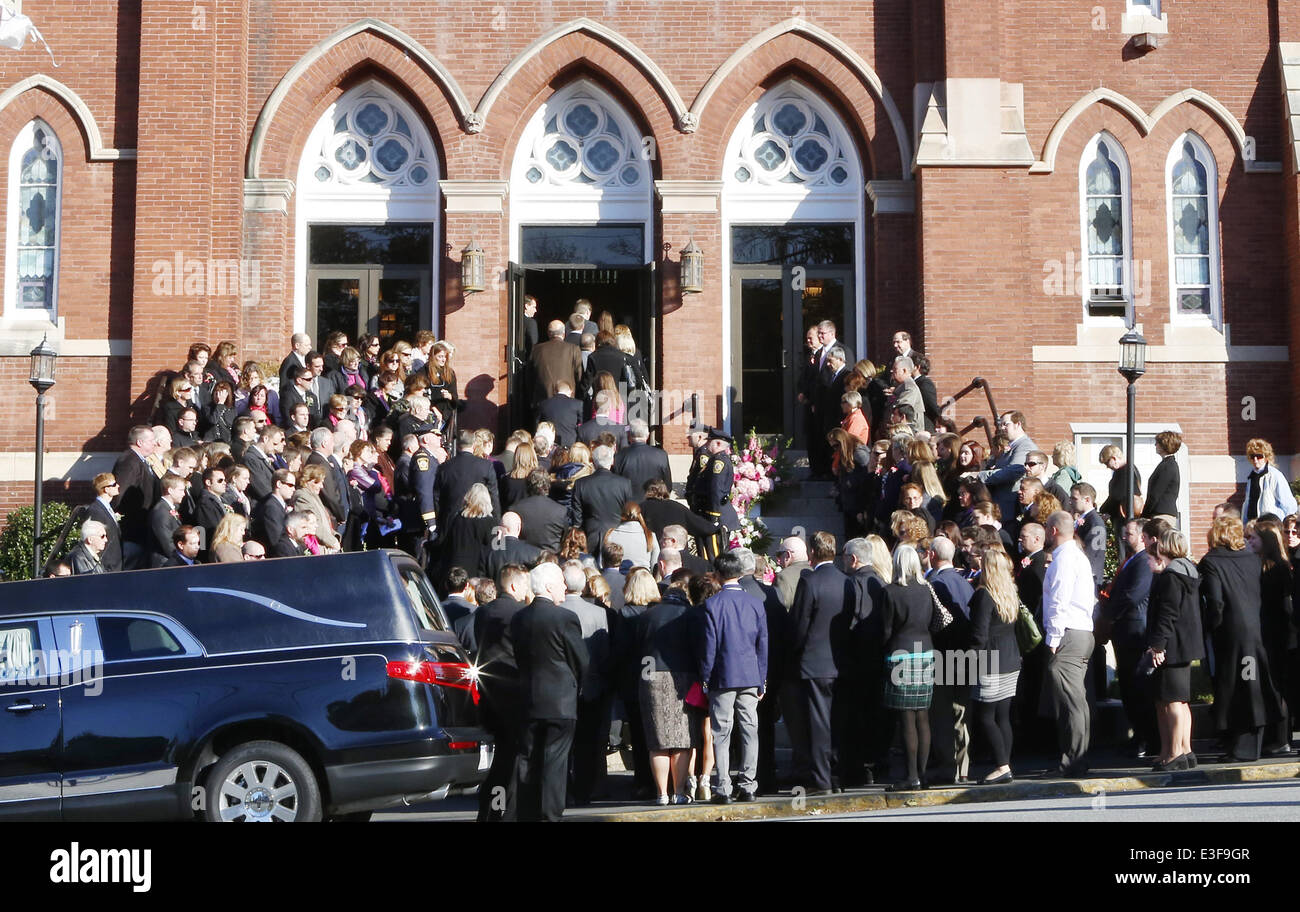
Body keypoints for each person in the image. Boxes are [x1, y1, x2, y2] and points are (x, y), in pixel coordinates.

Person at [1200, 515, 1290, 760]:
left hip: (1232, 632)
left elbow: (1216, 602)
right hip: (1257, 630)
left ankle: (1242, 748)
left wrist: (1210, 626)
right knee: (1252, 685)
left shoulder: (1211, 561)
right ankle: (1252, 744)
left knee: (1235, 687)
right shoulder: (1252, 558)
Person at [511, 562, 589, 822]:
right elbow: (582, 659)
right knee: (555, 761)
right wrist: (577, 684)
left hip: (527, 697)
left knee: (527, 757)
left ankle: (527, 812)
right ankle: (550, 814)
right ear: (547, 586)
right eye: (560, 582)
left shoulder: (519, 618)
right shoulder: (564, 617)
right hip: (560, 701)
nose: (565, 586)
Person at [699, 552, 768, 804]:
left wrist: (705, 678)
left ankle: (724, 787)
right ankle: (749, 784)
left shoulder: (712, 605)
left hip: (723, 675)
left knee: (722, 731)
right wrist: (762, 678)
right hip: (750, 675)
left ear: (717, 575)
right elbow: (763, 644)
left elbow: (709, 647)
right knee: (750, 729)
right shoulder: (756, 603)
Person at [787, 531, 851, 795]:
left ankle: (822, 780)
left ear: (812, 553)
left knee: (819, 723)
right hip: (841, 661)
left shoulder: (810, 582)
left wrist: (794, 651)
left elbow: (800, 624)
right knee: (838, 721)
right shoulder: (848, 582)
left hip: (815, 663)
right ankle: (837, 775)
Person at [1041, 510, 1096, 777]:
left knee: (1071, 701)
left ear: (1053, 531)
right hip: (1081, 631)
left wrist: (1053, 637)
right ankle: (1077, 758)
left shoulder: (1064, 559)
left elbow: (1058, 600)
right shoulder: (1078, 556)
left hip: (1069, 633)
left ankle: (1073, 760)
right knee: (1076, 700)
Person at [1145, 528, 1204, 770]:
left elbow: (1168, 614)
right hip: (1186, 643)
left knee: (1172, 701)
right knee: (1178, 701)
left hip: (1173, 645)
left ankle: (1176, 752)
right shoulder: (1187, 570)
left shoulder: (1171, 576)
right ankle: (1182, 750)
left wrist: (1158, 645)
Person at [881, 544, 938, 790]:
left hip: (900, 655)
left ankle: (911, 776)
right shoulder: (927, 589)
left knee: (906, 720)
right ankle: (922, 775)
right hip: (925, 652)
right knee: (922, 717)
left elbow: (886, 630)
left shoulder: (891, 591)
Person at [638, 572, 698, 804]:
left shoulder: (647, 616)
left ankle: (662, 793)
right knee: (681, 739)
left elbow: (637, 650)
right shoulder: (691, 615)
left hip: (649, 676)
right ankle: (680, 792)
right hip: (682, 678)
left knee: (658, 741)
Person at [1100, 519, 1157, 759]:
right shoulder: (1131, 560)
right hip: (1124, 631)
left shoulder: (1144, 561)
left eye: (1130, 533)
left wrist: (1110, 613)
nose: (1125, 537)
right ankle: (1138, 736)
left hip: (1135, 631)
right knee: (1128, 687)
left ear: (1143, 536)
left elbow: (1133, 596)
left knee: (1138, 688)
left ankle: (1147, 738)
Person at [968, 548, 1022, 784]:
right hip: (1011, 659)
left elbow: (979, 635)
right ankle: (1006, 764)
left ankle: (1001, 766)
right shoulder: (1010, 592)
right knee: (1002, 716)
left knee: (986, 717)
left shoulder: (984, 595)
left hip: (991, 661)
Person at [1242, 437, 1298, 522]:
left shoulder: (1274, 475)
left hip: (1271, 525)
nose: (1255, 460)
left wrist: (1286, 525)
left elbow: (1288, 504)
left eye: (1259, 456)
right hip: (1253, 525)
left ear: (1266, 457)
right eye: (1252, 456)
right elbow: (1248, 504)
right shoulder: (1251, 477)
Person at [84, 472, 124, 573]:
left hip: (116, 563)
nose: (118, 486)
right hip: (108, 566)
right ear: (106, 489)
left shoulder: (108, 508)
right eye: (114, 485)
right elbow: (95, 540)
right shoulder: (95, 511)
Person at [602, 501, 659, 570]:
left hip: (616, 577)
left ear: (621, 515)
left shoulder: (609, 534)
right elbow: (655, 565)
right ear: (639, 515)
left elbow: (601, 563)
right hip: (642, 577)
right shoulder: (650, 536)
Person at [1098, 444, 1142, 531]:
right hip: (1128, 515)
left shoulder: (1123, 471)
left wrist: (1103, 509)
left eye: (1107, 462)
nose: (1107, 467)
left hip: (1122, 517)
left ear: (1114, 458)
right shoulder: (1131, 468)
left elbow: (1116, 496)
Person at [1142, 431, 1182, 524]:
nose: (1155, 445)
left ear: (1164, 444)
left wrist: (1144, 515)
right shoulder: (1167, 464)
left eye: (1157, 443)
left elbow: (1156, 494)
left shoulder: (1168, 466)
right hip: (1161, 513)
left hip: (1162, 515)